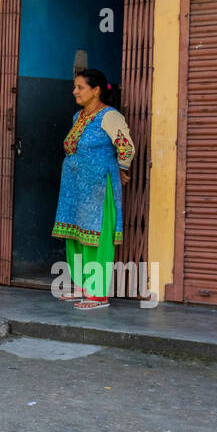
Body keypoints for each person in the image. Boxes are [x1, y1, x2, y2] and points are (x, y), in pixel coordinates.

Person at [52, 68, 135, 310]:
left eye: (80, 87)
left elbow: (126, 146)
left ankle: (98, 294)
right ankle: (81, 287)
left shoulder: (109, 116)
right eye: (75, 86)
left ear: (96, 90)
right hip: (74, 188)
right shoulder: (77, 116)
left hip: (98, 187)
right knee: (75, 235)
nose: (74, 91)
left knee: (96, 237)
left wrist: (121, 168)